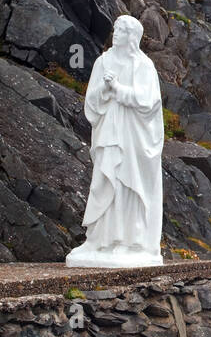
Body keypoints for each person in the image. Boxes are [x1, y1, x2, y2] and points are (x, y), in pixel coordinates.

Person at [67, 16, 166, 268]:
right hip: (110, 131)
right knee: (104, 178)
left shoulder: (143, 65)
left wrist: (118, 88)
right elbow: (92, 101)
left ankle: (128, 240)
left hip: (132, 135)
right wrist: (105, 88)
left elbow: (149, 101)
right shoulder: (103, 62)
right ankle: (99, 239)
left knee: (128, 183)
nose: (116, 33)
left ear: (133, 36)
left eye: (122, 30)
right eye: (116, 29)